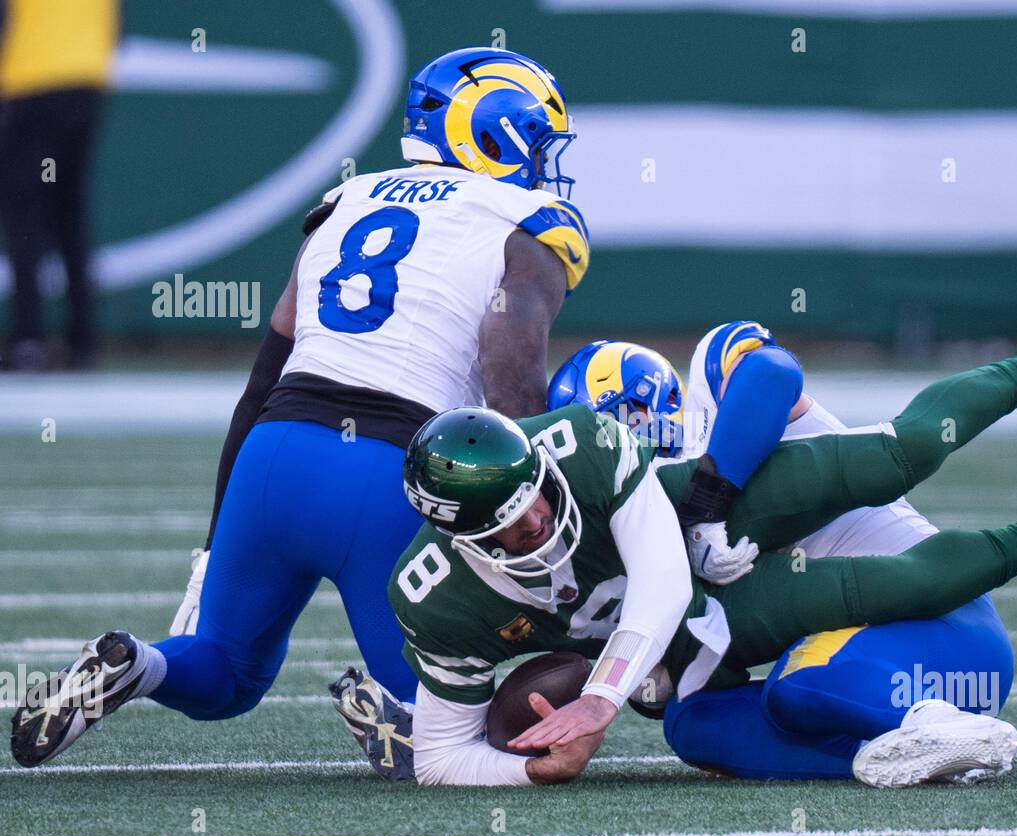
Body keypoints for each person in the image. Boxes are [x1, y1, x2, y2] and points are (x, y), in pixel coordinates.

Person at [10, 47, 589, 777]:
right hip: (391, 472)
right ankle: (395, 712)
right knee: (455, 731)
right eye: (537, 142)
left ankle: (137, 665)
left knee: (223, 674)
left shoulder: (348, 202)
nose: (546, 163)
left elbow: (258, 385)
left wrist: (215, 544)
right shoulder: (524, 223)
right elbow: (513, 389)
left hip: (274, 453)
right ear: (492, 134)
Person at [385, 316, 1017, 786]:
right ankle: (897, 750)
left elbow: (768, 372)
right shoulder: (533, 562)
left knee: (895, 458)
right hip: (811, 627)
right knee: (702, 721)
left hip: (927, 608)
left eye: (630, 429)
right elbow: (671, 644)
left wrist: (709, 498)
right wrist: (629, 691)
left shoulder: (702, 420)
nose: (626, 448)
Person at [0, 0, 119, 370]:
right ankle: (82, 338)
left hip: (30, 81)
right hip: (86, 80)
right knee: (68, 208)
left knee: (25, 210)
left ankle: (27, 338)